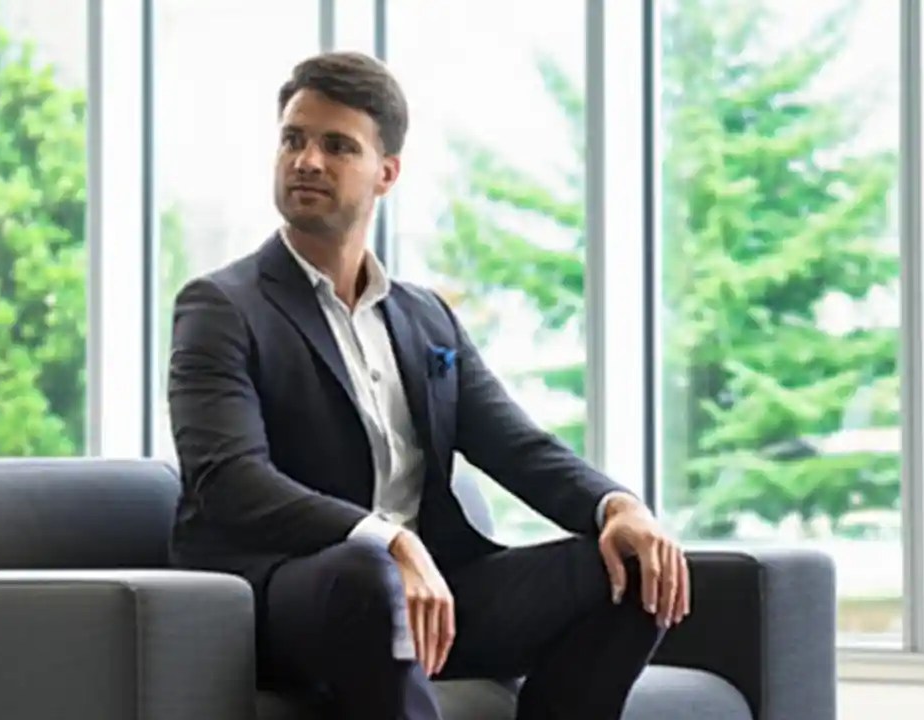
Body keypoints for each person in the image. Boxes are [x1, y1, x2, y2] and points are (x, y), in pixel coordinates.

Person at [166, 50, 691, 720]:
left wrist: (619, 508)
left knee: (632, 570)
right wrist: (384, 538)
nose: (307, 161)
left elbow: (515, 445)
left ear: (386, 173)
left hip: (429, 593)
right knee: (367, 576)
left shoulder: (424, 316)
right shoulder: (222, 306)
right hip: (287, 595)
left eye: (337, 146)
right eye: (293, 140)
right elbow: (230, 478)